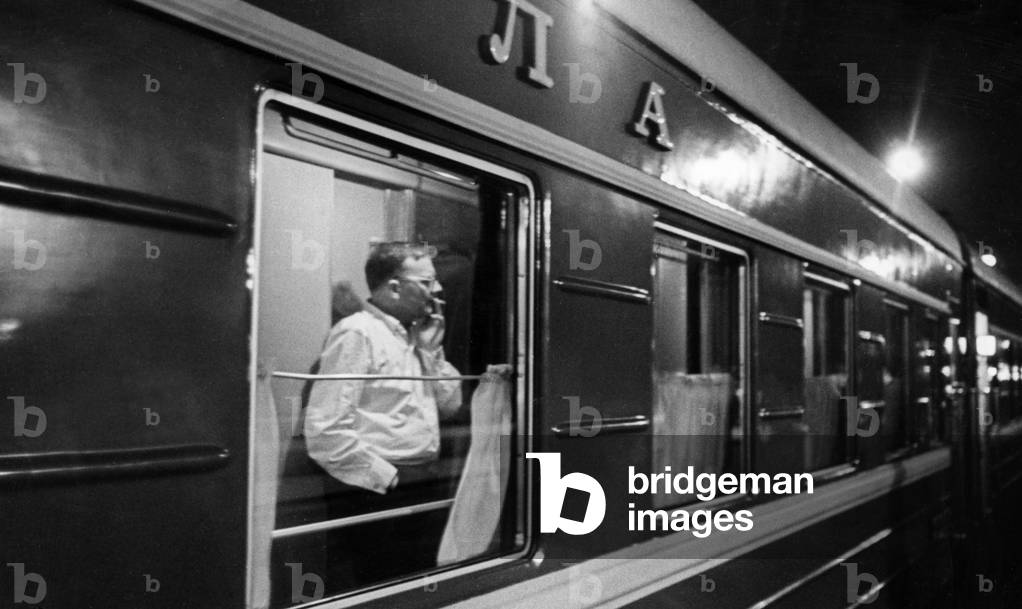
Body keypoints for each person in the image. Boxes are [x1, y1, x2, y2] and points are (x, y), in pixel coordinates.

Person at [304, 242, 463, 587]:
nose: (437, 291)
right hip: (378, 489)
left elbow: (450, 406)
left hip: (421, 482)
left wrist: (432, 351)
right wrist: (388, 478)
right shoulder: (357, 333)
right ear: (394, 286)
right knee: (379, 587)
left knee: (416, 584)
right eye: (426, 282)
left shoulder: (417, 336)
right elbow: (325, 430)